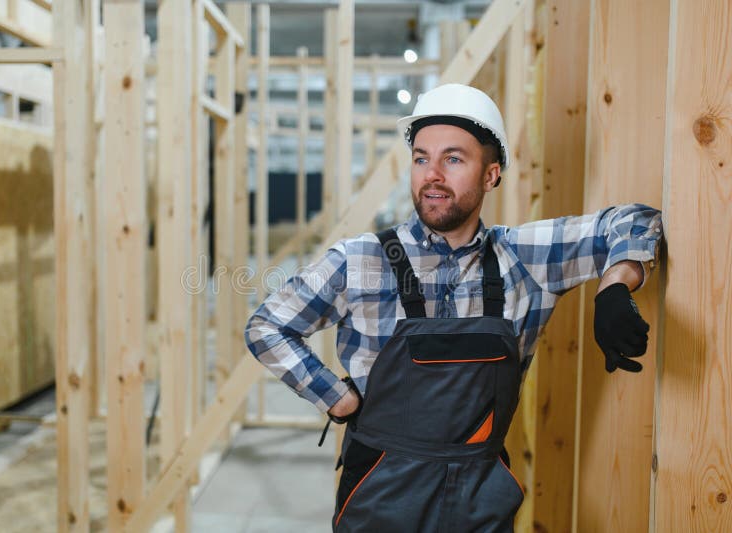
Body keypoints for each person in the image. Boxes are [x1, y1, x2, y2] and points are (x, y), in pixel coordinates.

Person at [244, 83, 662, 532]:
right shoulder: (360, 260)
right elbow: (267, 326)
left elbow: (637, 221)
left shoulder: (524, 258)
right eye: (421, 158)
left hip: (480, 497)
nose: (432, 174)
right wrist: (338, 399)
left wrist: (615, 286)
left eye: (453, 158)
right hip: (380, 488)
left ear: (491, 174)